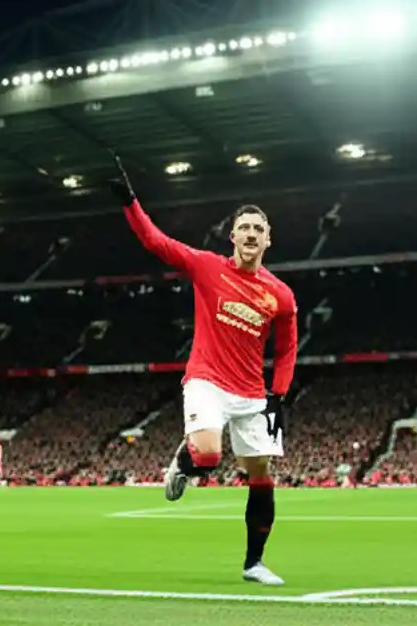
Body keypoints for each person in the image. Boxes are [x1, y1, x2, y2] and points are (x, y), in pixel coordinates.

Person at [109, 153, 298, 586]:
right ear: (233, 236)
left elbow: (287, 348)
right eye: (245, 228)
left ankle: (254, 563)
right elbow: (157, 242)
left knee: (262, 477)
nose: (251, 234)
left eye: (259, 230)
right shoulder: (207, 266)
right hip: (207, 380)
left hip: (252, 394)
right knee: (210, 455)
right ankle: (184, 461)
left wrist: (279, 394)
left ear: (269, 241)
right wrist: (130, 204)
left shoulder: (280, 296)